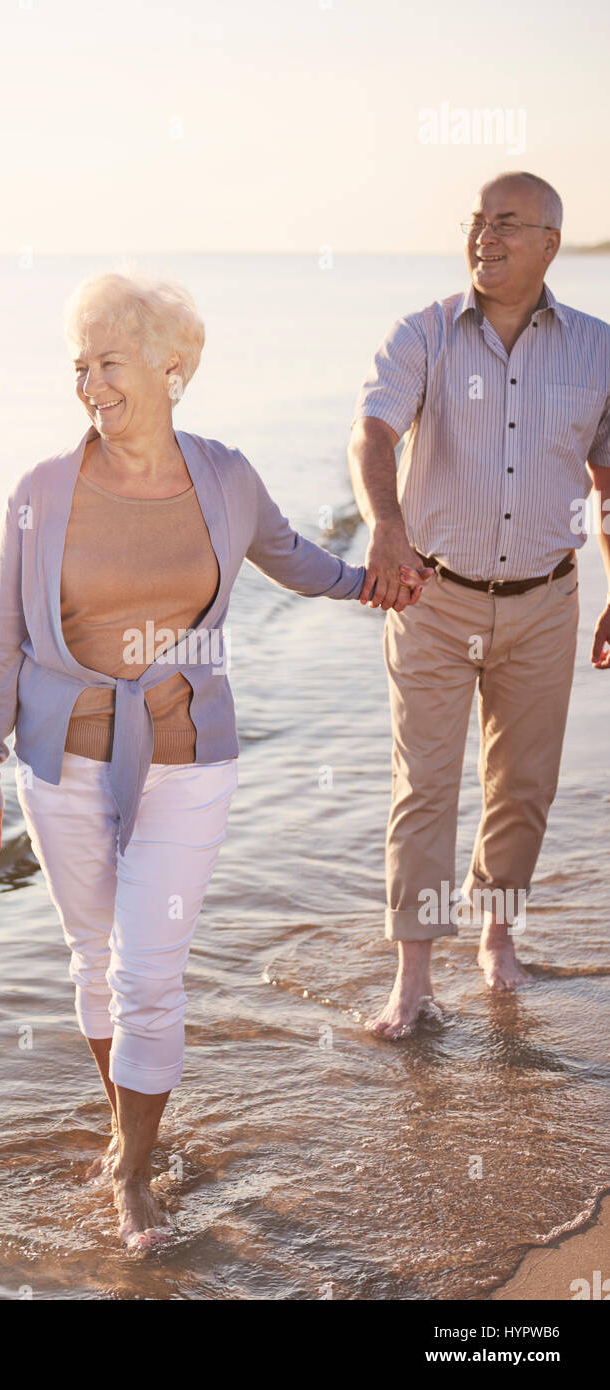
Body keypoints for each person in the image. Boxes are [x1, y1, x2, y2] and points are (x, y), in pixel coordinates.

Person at [0, 270, 426, 1249]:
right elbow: (5, 637)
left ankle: (132, 1167)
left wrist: (369, 580)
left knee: (151, 974)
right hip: (63, 760)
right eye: (78, 366)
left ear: (172, 366)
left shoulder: (226, 477)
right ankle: (131, 1125)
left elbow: (294, 556)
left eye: (108, 362)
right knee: (96, 960)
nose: (89, 384)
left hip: (188, 754)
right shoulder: (40, 493)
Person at [348, 171, 610, 1039]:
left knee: (522, 785)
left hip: (545, 599)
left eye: (506, 224)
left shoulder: (596, 350)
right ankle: (412, 978)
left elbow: (606, 482)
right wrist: (383, 526)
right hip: (431, 596)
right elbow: (374, 431)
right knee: (422, 786)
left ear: (548, 243)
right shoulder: (422, 333)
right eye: (475, 222)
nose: (484, 237)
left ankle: (496, 935)